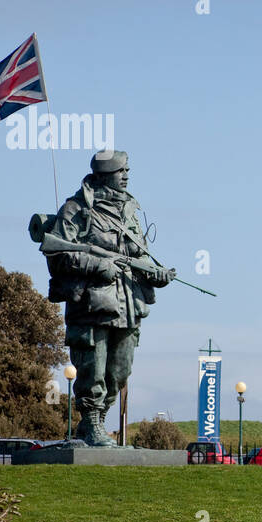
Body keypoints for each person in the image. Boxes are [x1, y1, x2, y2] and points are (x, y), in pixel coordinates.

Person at [41, 151, 175, 445]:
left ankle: (97, 424)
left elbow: (138, 255)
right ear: (103, 175)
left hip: (128, 304)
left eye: (128, 170)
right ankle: (91, 422)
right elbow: (58, 254)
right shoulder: (77, 209)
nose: (126, 175)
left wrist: (156, 274)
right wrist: (100, 266)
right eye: (120, 171)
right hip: (92, 306)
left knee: (120, 370)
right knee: (93, 368)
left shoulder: (130, 210)